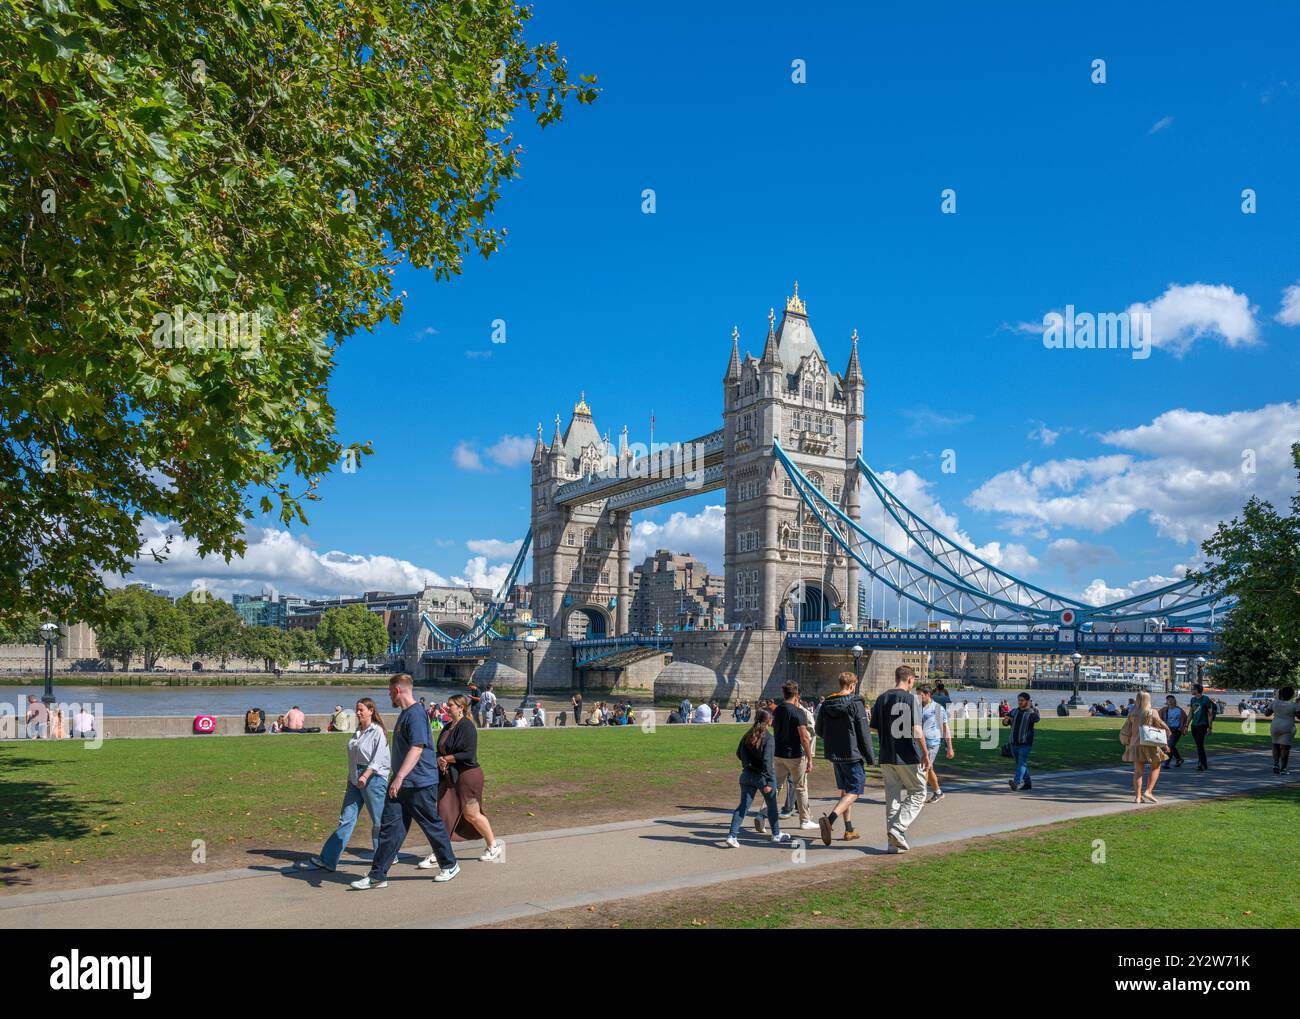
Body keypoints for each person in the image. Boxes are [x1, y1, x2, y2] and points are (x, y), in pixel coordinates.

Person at [351, 674, 459, 890]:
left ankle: (450, 864)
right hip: (402, 784)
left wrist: (399, 777)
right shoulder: (405, 714)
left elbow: (417, 748)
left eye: (390, 691)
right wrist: (398, 778)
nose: (389, 694)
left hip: (419, 783)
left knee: (431, 824)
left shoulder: (416, 714)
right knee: (390, 829)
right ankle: (378, 875)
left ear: (398, 690)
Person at [304, 698, 391, 871]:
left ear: (371, 711)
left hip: (373, 779)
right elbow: (353, 757)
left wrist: (365, 776)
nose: (358, 712)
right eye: (357, 709)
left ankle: (385, 857)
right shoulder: (358, 731)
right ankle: (328, 860)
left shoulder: (377, 731)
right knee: (346, 819)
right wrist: (352, 776)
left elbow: (378, 759)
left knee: (378, 821)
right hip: (355, 779)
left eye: (361, 710)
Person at [435, 694, 504, 862]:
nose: (447, 706)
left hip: (468, 776)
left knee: (471, 814)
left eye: (450, 704)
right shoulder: (448, 726)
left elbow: (468, 754)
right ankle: (439, 852)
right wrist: (440, 759)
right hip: (450, 776)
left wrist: (447, 759)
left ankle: (493, 846)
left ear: (461, 708)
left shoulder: (467, 726)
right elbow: (440, 749)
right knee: (443, 811)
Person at [869, 666, 927, 852]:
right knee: (918, 792)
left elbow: (874, 728)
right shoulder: (911, 699)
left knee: (892, 798)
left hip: (886, 754)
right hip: (907, 754)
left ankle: (893, 844)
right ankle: (899, 828)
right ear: (909, 679)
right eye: (913, 681)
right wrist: (925, 753)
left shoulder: (881, 698)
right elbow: (917, 730)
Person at [816, 671, 876, 846]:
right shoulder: (855, 703)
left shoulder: (826, 703)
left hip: (835, 754)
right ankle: (830, 820)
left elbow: (819, 729)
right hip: (852, 753)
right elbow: (863, 732)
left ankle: (849, 829)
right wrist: (870, 757)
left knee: (846, 790)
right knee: (855, 790)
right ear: (852, 686)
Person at [722, 708, 790, 848]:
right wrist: (770, 781)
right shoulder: (769, 738)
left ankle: (732, 835)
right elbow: (768, 762)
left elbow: (738, 753)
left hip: (747, 775)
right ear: (769, 720)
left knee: (743, 807)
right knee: (772, 806)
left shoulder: (747, 734)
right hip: (763, 778)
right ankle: (776, 834)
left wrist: (748, 764)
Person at [761, 682, 818, 833]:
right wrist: (810, 758)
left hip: (778, 754)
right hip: (794, 755)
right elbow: (804, 737)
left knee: (775, 786)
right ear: (796, 695)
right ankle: (805, 820)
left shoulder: (777, 710)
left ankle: (762, 815)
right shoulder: (798, 712)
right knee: (801, 787)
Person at [1120, 691, 1171, 804]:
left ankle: (1138, 797)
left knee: (1138, 771)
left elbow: (1125, 730)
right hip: (1150, 744)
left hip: (1135, 744)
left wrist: (1127, 742)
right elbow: (1162, 729)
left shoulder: (1132, 713)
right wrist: (1165, 744)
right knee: (1156, 766)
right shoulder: (1152, 712)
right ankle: (1148, 791)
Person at [918, 684, 954, 802]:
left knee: (923, 768)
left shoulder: (938, 708)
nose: (918, 696)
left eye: (920, 695)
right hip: (920, 742)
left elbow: (945, 727)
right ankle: (938, 792)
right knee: (929, 767)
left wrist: (949, 747)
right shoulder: (918, 707)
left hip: (932, 743)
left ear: (928, 694)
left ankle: (920, 797)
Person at [1003, 693, 1040, 791]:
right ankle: (1027, 783)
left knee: (1022, 762)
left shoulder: (1032, 711)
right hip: (1013, 742)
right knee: (1020, 764)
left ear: (1027, 701)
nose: (1020, 702)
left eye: (1022, 700)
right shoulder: (1014, 711)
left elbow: (1037, 719)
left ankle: (1016, 782)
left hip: (1025, 742)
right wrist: (1005, 721)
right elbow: (1005, 722)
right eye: (1019, 700)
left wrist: (1032, 711)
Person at [1265, 685, 1297, 775]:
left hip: (1275, 726)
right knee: (1285, 748)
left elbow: (1267, 714)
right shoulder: (1294, 704)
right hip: (1288, 727)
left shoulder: (1275, 702)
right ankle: (1283, 769)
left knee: (1275, 745)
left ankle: (1275, 764)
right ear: (1292, 695)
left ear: (1281, 694)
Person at [1188, 683, 1216, 771]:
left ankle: (1201, 763)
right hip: (1194, 725)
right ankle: (1203, 763)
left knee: (1199, 744)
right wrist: (1186, 726)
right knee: (1198, 745)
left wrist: (1210, 727)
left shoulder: (1206, 699)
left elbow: (1210, 714)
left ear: (1197, 690)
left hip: (1203, 724)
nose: (1191, 690)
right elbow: (1191, 713)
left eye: (1193, 689)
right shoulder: (1192, 700)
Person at [1158, 695, 1187, 767]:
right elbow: (1157, 717)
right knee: (1172, 746)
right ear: (1166, 702)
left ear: (1175, 701)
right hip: (1167, 730)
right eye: (1168, 700)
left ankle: (1166, 763)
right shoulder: (1164, 710)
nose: (1170, 701)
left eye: (1172, 700)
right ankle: (1179, 759)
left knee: (1169, 746)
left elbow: (1185, 719)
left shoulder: (1180, 710)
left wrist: (1182, 728)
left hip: (1176, 730)